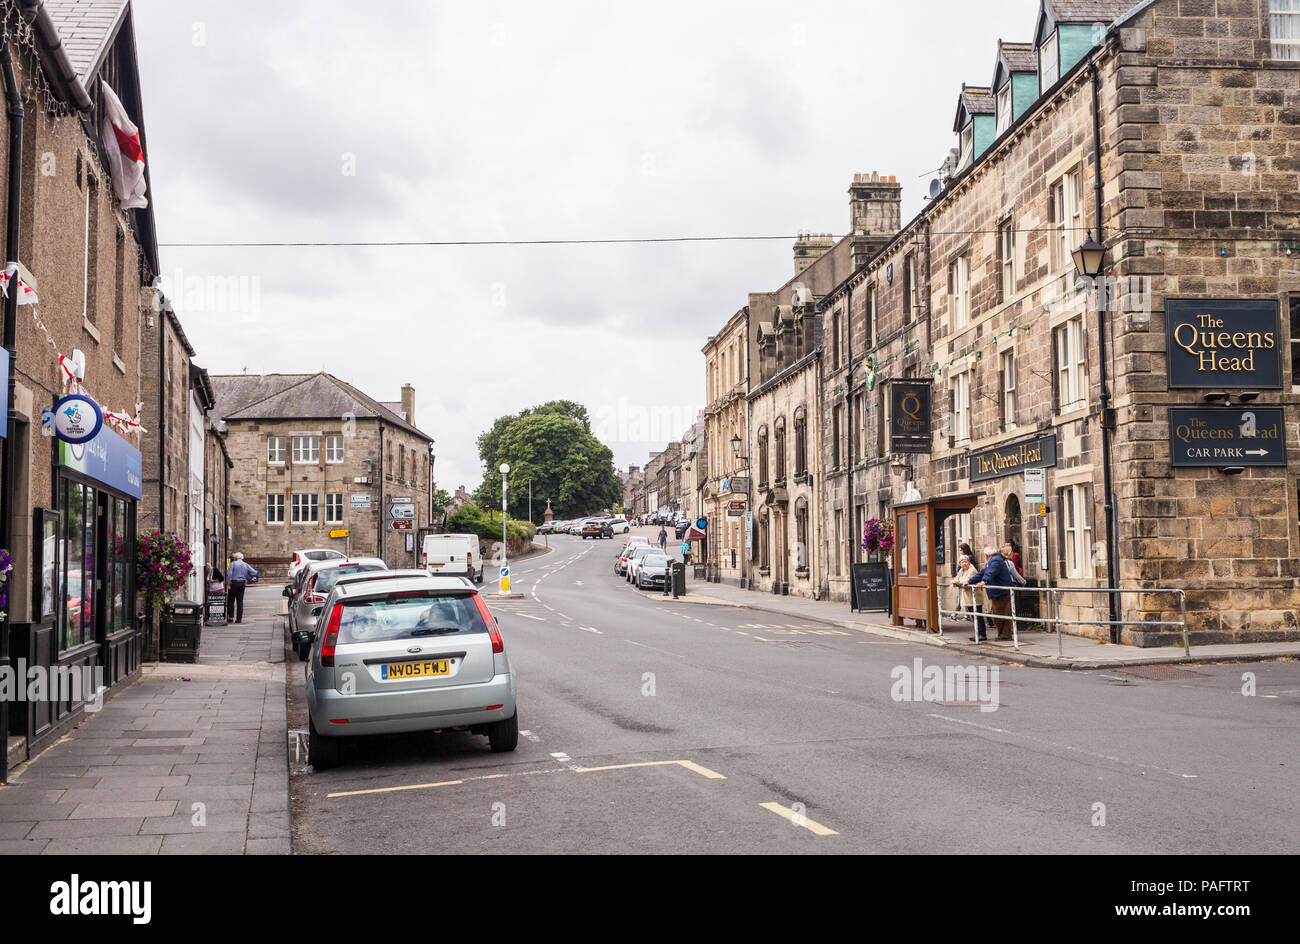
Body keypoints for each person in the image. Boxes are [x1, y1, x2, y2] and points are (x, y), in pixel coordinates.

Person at [969, 544, 1015, 641]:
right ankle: (1003, 634)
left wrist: (983, 581)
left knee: (1000, 614)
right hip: (999, 592)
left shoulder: (995, 561)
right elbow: (983, 572)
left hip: (1001, 592)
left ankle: (1005, 635)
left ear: (986, 555)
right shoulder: (994, 560)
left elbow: (991, 572)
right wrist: (969, 581)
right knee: (999, 614)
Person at [950, 555, 986, 642]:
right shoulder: (961, 570)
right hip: (968, 597)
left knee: (978, 615)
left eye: (966, 561)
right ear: (960, 564)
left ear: (969, 562)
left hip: (975, 597)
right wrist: (954, 581)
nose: (964, 563)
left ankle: (982, 634)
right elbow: (956, 578)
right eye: (962, 562)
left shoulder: (972, 570)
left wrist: (956, 582)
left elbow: (967, 580)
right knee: (973, 616)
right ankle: (978, 633)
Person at [226, 552, 258, 624]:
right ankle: (239, 619)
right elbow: (254, 573)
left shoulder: (233, 564)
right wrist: (247, 578)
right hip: (242, 583)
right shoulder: (245, 564)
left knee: (231, 601)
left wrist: (228, 583)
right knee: (240, 602)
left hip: (234, 583)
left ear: (236, 558)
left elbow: (229, 573)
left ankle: (231, 618)